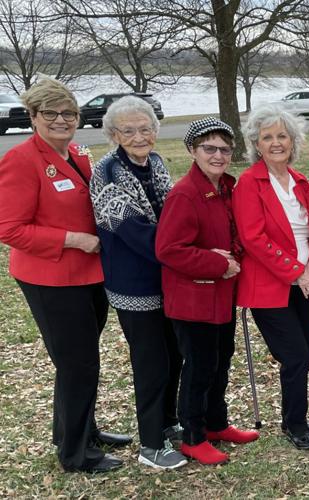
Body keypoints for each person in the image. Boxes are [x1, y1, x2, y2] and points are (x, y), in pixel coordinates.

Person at [0, 77, 131, 473]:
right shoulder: (20, 160)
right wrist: (72, 239)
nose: (61, 119)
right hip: (52, 279)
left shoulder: (77, 152)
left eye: (69, 112)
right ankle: (76, 454)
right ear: (34, 117)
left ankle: (80, 429)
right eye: (50, 113)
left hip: (90, 275)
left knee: (79, 361)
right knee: (79, 364)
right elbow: (9, 227)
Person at [89, 96, 186, 469]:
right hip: (134, 283)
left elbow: (174, 214)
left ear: (155, 131)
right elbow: (134, 231)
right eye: (128, 130)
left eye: (145, 128)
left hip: (167, 277)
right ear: (114, 134)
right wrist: (185, 253)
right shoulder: (109, 172)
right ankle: (150, 444)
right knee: (150, 362)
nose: (139, 136)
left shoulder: (156, 164)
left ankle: (167, 422)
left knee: (173, 354)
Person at [156, 118, 260, 465]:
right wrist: (216, 263)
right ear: (192, 151)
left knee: (220, 362)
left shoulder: (227, 188)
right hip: (193, 299)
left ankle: (216, 423)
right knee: (199, 367)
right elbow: (169, 250)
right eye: (209, 148)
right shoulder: (185, 194)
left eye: (224, 149)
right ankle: (193, 435)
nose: (218, 155)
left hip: (222, 296)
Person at [233, 107, 309, 450]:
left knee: (305, 353)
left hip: (305, 282)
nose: (275, 143)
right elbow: (254, 239)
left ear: (293, 140)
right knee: (295, 354)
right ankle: (295, 424)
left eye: (282, 135)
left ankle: (293, 417)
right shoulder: (249, 184)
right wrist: (297, 271)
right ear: (256, 143)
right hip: (269, 287)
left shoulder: (301, 182)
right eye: (267, 137)